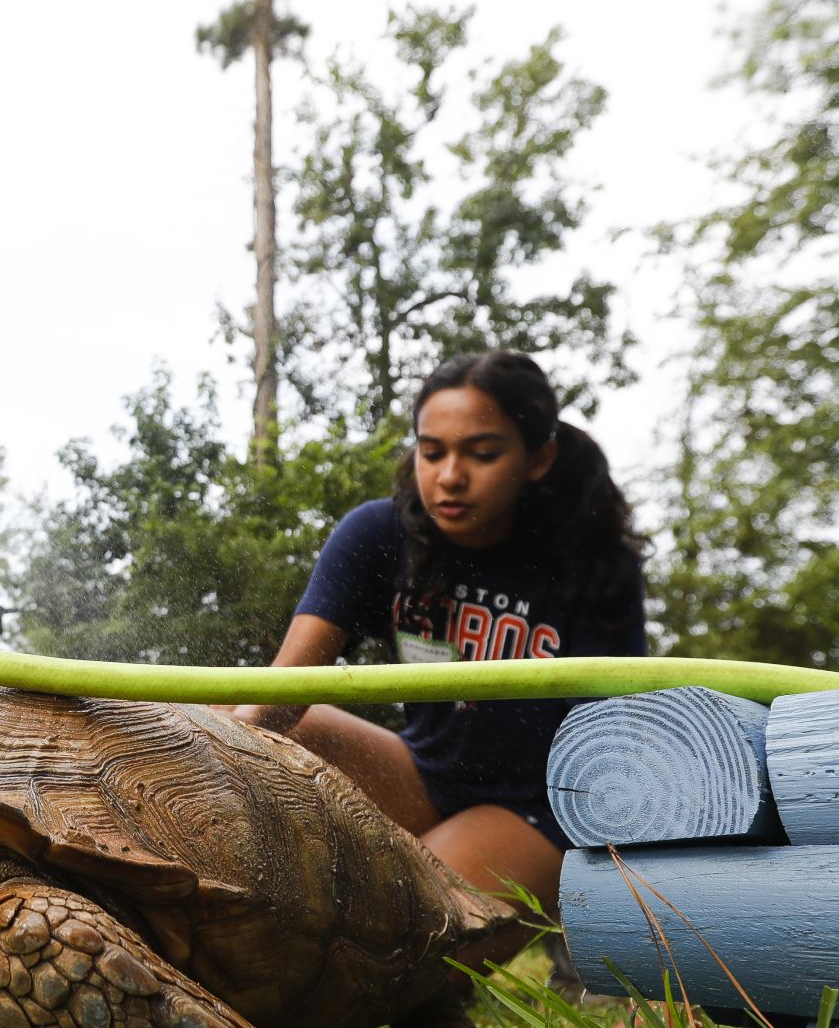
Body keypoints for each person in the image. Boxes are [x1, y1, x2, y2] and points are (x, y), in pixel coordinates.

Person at [234, 351, 647, 968]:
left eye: (481, 454)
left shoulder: (593, 565)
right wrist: (208, 757)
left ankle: (448, 1008)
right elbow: (283, 690)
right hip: (422, 773)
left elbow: (622, 747)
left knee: (398, 932)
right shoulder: (377, 534)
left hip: (534, 808)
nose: (450, 476)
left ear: (538, 458)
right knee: (230, 727)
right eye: (432, 452)